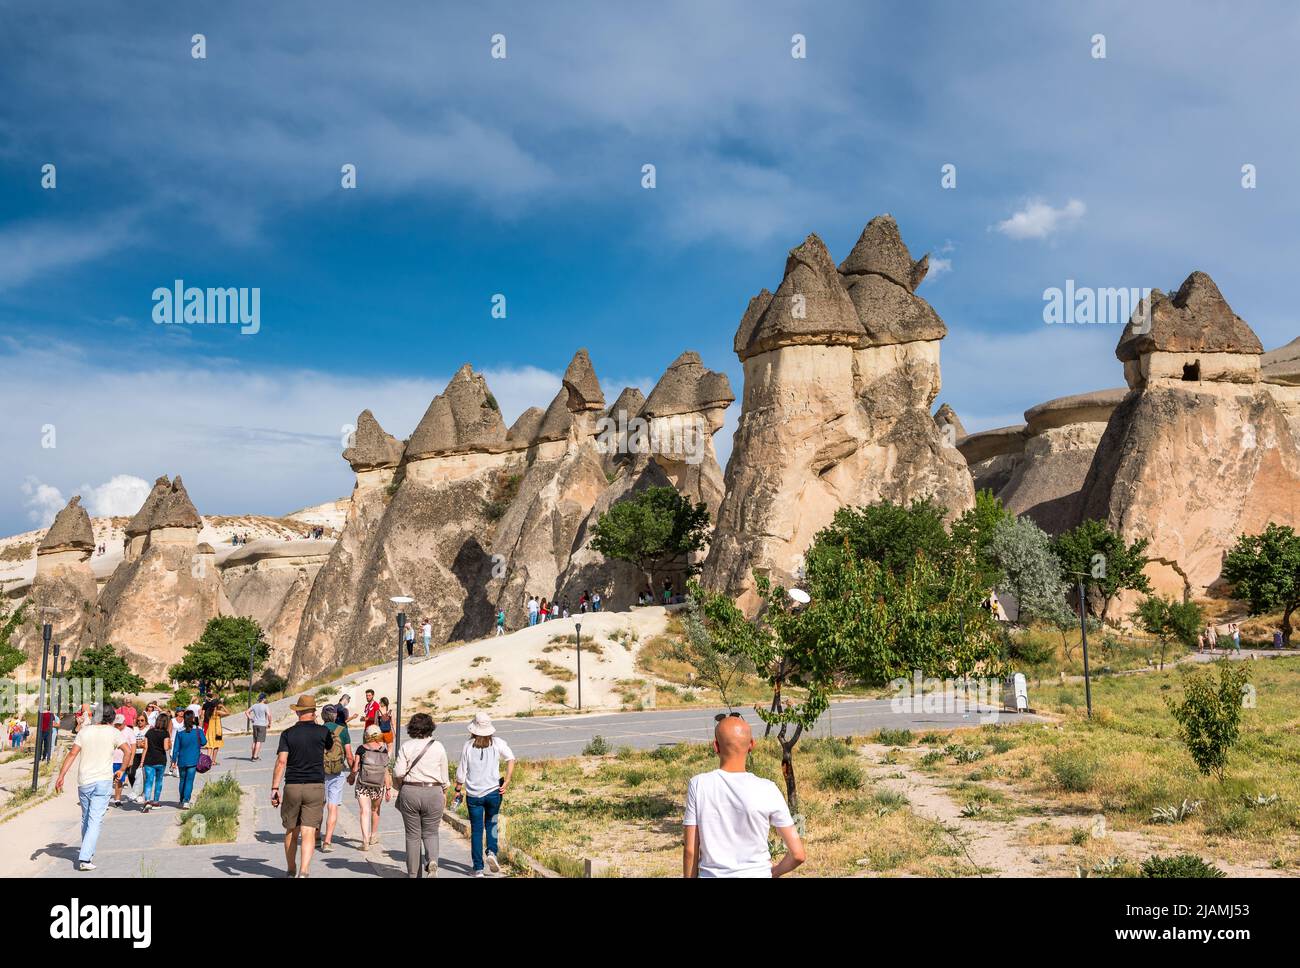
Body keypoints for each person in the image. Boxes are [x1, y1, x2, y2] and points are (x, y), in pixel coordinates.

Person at [682, 715, 805, 878]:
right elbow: (798, 855)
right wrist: (773, 871)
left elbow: (690, 850)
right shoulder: (768, 789)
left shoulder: (698, 785)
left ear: (715, 746)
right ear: (751, 745)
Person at [54, 707, 136, 871]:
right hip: (103, 780)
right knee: (95, 819)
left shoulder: (85, 731)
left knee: (86, 817)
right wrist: (122, 770)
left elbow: (72, 754)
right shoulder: (114, 732)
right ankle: (85, 858)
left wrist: (61, 775)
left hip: (84, 780)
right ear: (112, 719)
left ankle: (87, 852)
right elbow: (127, 751)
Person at [271, 694, 334, 878]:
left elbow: (281, 762)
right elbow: (328, 747)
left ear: (298, 712)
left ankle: (291, 870)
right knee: (308, 830)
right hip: (315, 786)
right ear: (314, 713)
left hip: (293, 786)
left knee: (292, 829)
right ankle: (304, 871)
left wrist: (274, 789)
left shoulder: (288, 734)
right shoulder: (323, 732)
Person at [453, 712, 515, 876]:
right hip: (493, 792)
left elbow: (461, 772)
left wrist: (458, 790)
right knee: (492, 823)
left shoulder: (468, 745)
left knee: (476, 830)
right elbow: (511, 758)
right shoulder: (497, 743)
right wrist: (507, 780)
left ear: (474, 729)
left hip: (474, 795)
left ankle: (478, 868)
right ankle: (492, 852)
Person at [394, 712, 449, 877]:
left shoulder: (406, 746)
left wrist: (400, 788)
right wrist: (444, 792)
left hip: (411, 790)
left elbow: (398, 772)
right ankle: (432, 860)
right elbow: (444, 776)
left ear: (412, 728)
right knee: (431, 832)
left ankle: (413, 873)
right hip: (434, 791)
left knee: (412, 835)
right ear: (430, 727)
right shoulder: (438, 746)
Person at [349, 724, 392, 852]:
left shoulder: (361, 749)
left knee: (364, 811)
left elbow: (355, 768)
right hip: (378, 785)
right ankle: (373, 836)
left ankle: (365, 841)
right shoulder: (383, 749)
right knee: (375, 809)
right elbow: (386, 771)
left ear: (366, 735)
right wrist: (388, 789)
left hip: (363, 784)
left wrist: (351, 777)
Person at [320, 705, 354, 853]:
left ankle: (315, 837)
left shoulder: (317, 730)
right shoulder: (342, 731)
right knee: (332, 807)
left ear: (322, 716)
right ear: (335, 716)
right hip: (337, 772)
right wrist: (353, 772)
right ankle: (327, 841)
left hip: (319, 772)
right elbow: (349, 755)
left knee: (317, 806)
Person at [172, 710, 207, 808]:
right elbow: (204, 742)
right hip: (193, 759)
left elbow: (175, 748)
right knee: (189, 781)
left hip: (182, 760)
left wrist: (173, 761)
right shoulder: (198, 730)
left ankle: (181, 799)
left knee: (182, 780)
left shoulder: (179, 731)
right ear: (192, 718)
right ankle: (186, 801)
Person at [141, 713, 171, 811]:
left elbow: (145, 747)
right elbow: (166, 748)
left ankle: (147, 801)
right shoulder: (165, 733)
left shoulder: (149, 732)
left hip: (149, 760)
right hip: (160, 760)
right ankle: (156, 802)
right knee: (159, 781)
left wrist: (142, 761)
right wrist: (170, 745)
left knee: (149, 781)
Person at [204, 696, 228, 765]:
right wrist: (223, 706)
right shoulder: (217, 712)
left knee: (210, 746)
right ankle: (213, 761)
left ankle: (207, 761)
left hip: (210, 731)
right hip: (217, 731)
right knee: (216, 746)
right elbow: (228, 713)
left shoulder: (209, 711)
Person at [247, 693, 271, 761]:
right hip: (262, 725)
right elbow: (269, 715)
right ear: (263, 699)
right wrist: (269, 723)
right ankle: (255, 757)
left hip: (255, 724)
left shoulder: (254, 705)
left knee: (254, 741)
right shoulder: (265, 706)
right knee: (259, 741)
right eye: (265, 698)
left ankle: (252, 756)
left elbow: (246, 712)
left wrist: (251, 718)